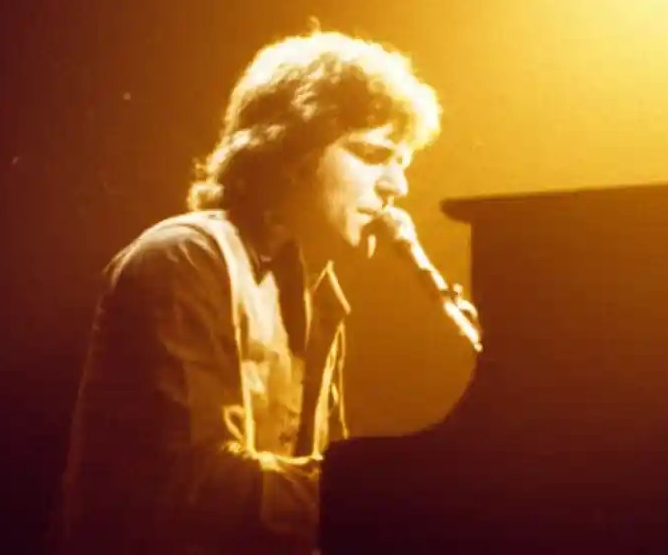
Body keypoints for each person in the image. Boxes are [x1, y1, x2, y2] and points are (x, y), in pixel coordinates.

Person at [55, 29, 441, 553]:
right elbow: (195, 485)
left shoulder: (322, 298)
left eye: (403, 163)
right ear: (290, 149)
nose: (398, 186)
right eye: (374, 154)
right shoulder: (183, 257)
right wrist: (386, 490)